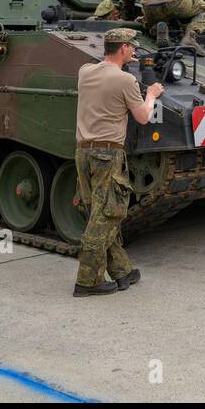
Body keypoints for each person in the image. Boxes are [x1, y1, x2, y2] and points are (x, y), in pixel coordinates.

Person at [73, 27, 164, 297]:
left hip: (84, 153)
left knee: (99, 212)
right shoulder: (126, 81)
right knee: (107, 215)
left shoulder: (85, 72)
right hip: (107, 155)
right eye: (131, 47)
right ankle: (87, 281)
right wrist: (152, 95)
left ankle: (122, 270)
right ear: (123, 48)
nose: (135, 50)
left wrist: (123, 64)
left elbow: (104, 75)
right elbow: (143, 117)